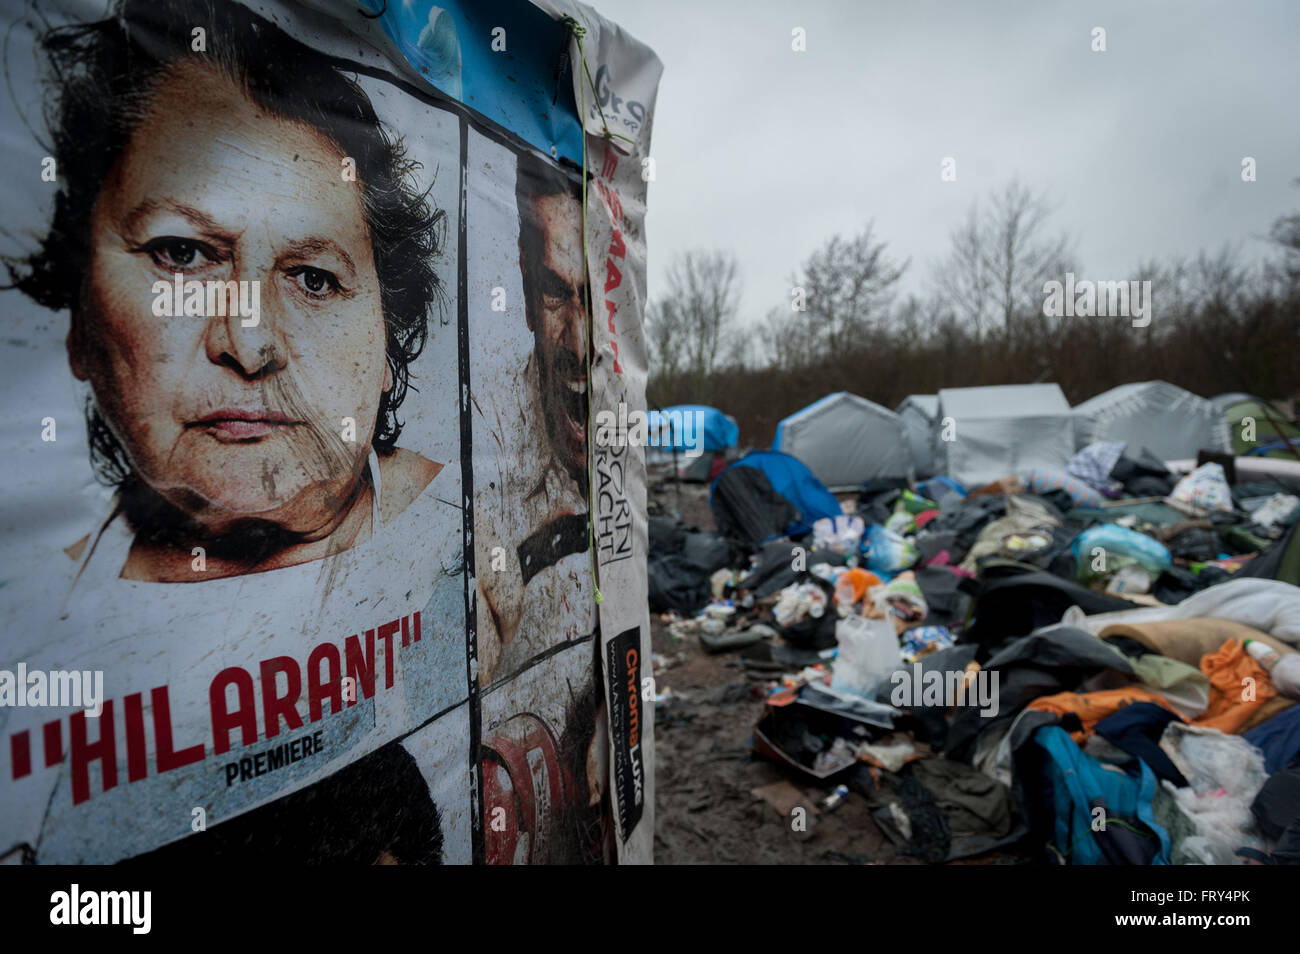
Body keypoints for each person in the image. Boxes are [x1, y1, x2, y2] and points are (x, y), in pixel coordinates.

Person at [8, 0, 447, 583]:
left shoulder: (474, 539)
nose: (249, 341)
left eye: (315, 278)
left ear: (388, 333)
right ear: (81, 322)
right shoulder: (43, 610)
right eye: (182, 254)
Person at [474, 153, 594, 682]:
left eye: (592, 299)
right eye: (554, 292)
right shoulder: (485, 438)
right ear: (525, 290)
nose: (579, 340)